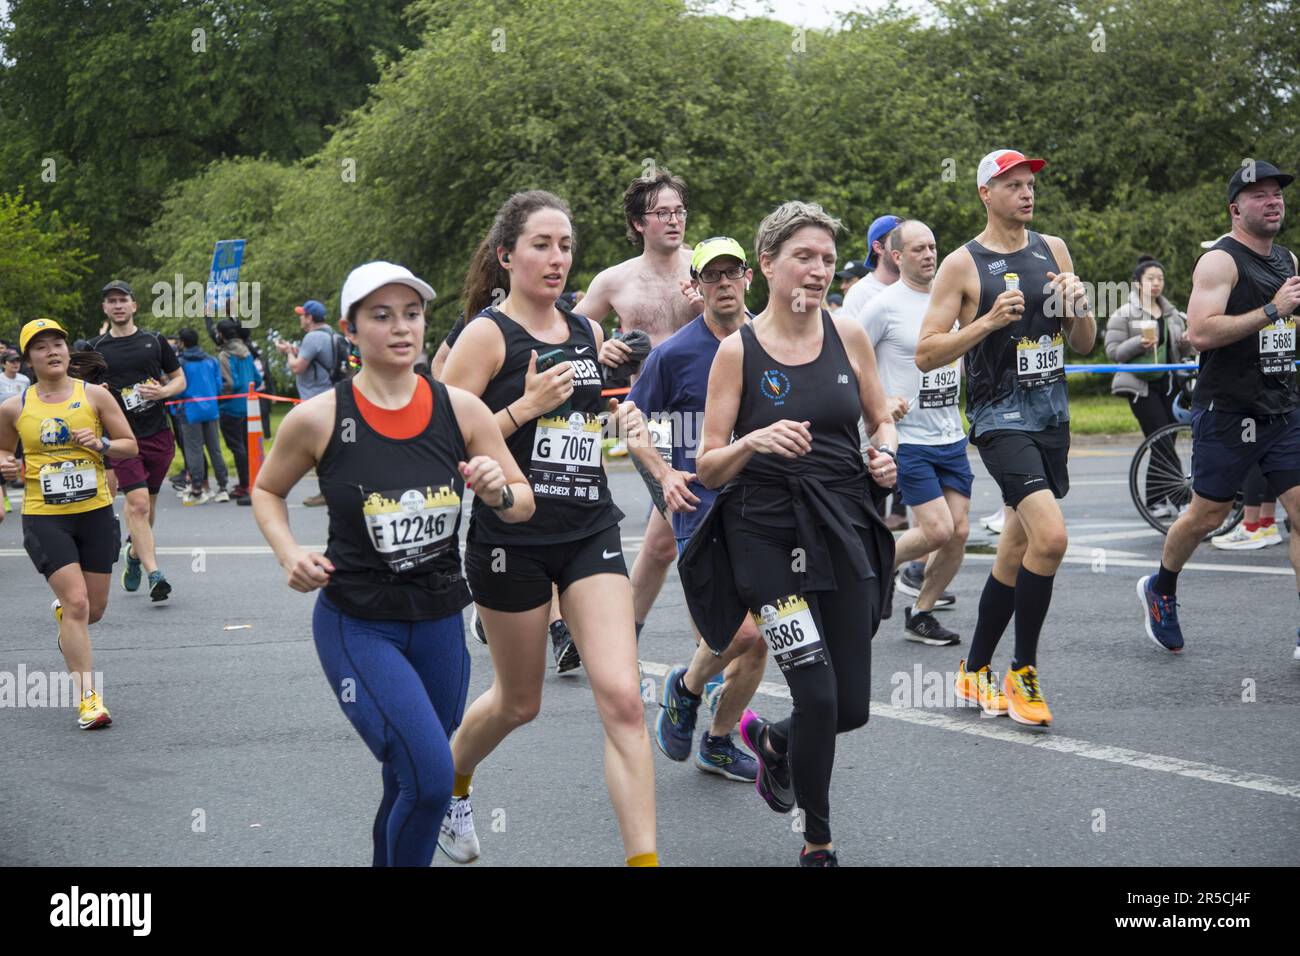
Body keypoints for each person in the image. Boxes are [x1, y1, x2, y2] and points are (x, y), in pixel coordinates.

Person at [252, 261, 534, 866]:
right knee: (431, 779)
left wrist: (497, 490)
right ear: (351, 331)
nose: (401, 328)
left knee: (407, 780)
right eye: (381, 316)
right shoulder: (319, 418)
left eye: (412, 314)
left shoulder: (461, 410)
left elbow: (520, 503)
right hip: (359, 625)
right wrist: (289, 554)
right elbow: (266, 489)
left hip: (439, 624)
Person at [441, 190, 658, 866]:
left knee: (624, 700)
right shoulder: (485, 336)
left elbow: (580, 425)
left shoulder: (588, 333)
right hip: (511, 541)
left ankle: (644, 860)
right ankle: (449, 785)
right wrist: (523, 408)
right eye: (541, 244)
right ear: (507, 255)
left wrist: (618, 426)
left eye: (565, 245)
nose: (557, 257)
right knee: (518, 701)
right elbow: (435, 442)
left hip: (589, 530)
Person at [687, 201, 898, 866]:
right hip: (765, 538)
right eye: (803, 257)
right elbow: (708, 464)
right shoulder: (737, 352)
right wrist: (754, 439)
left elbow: (879, 418)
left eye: (828, 259)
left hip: (842, 524)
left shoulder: (849, 335)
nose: (818, 270)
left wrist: (884, 451)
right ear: (769, 265)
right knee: (814, 687)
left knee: (850, 706)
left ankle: (775, 743)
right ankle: (818, 840)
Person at [917, 149, 1097, 726]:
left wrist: (1081, 309)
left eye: (1030, 184)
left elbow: (1085, 343)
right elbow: (926, 353)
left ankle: (972, 672)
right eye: (1012, 185)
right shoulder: (961, 264)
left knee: (1015, 552)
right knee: (1052, 539)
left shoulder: (1054, 250)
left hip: (1052, 418)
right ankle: (1022, 674)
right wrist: (987, 323)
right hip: (999, 419)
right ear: (985, 194)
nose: (1026, 193)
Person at [1138, 161, 1300, 659]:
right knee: (1205, 516)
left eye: (1276, 194)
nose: (1272, 201)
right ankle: (1161, 588)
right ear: (1235, 208)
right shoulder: (1219, 262)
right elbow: (1201, 332)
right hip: (1228, 412)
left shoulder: (1289, 260)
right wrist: (1273, 308)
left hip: (1283, 409)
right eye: (1259, 195)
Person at [625, 236, 766, 783]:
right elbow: (630, 421)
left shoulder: (772, 338)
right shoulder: (675, 353)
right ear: (697, 286)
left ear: (748, 278)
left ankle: (717, 742)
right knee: (743, 634)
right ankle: (685, 688)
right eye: (713, 276)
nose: (724, 284)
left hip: (768, 507)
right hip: (701, 510)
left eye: (733, 273)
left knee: (763, 640)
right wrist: (663, 475)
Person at [574, 169, 702, 669]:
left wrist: (709, 304)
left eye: (679, 211)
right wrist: (599, 344)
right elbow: (572, 328)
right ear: (638, 222)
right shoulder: (615, 280)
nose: (674, 220)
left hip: (705, 416)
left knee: (661, 545)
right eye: (662, 213)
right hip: (649, 423)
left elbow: (745, 330)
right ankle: (710, 656)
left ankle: (613, 642)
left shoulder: (706, 267)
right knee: (691, 530)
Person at [0, 319, 138, 729]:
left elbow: (129, 446)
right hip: (45, 516)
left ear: (67, 351)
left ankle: (68, 619)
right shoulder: (14, 408)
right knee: (77, 603)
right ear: (29, 360)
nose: (52, 351)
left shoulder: (94, 395)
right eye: (41, 347)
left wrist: (103, 444)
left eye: (57, 343)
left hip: (94, 512)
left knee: (93, 610)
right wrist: (6, 468)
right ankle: (89, 700)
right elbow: (4, 454)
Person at [860, 219, 970, 646]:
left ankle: (921, 612)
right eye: (919, 249)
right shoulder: (883, 306)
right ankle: (876, 560)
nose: (929, 255)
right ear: (896, 256)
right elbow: (851, 360)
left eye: (933, 246)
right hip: (908, 439)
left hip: (950, 434)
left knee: (958, 533)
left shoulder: (954, 301)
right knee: (938, 530)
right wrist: (878, 406)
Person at [89, 280, 187, 602]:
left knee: (149, 507)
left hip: (157, 434)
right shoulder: (96, 348)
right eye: (111, 301)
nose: (117, 305)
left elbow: (179, 380)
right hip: (122, 439)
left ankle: (133, 556)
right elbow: (82, 393)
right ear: (105, 308)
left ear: (134, 306)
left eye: (123, 300)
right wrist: (97, 395)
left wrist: (162, 391)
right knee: (139, 504)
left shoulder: (154, 341)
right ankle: (154, 574)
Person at [1105, 255, 1194, 518]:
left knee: (1163, 440)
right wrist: (1138, 344)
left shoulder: (1173, 314)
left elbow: (1185, 349)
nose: (1156, 284)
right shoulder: (1123, 314)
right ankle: (1182, 500)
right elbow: (1113, 352)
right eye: (1150, 279)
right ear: (1136, 284)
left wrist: (1187, 342)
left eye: (1160, 279)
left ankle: (1154, 501)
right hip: (1139, 386)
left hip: (1170, 385)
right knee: (1162, 439)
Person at [842, 214, 908, 534]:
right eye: (899, 237)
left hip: (918, 424)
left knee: (924, 521)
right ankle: (883, 578)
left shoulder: (919, 289)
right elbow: (847, 358)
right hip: (874, 423)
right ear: (880, 247)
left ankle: (904, 578)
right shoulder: (861, 295)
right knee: (873, 517)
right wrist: (880, 402)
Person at [276, 300, 338, 506]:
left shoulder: (312, 337)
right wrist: (293, 349)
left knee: (320, 447)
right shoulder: (331, 334)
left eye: (302, 315)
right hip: (331, 394)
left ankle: (327, 493)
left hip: (315, 398)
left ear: (310, 318)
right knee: (334, 445)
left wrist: (287, 354)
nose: (301, 318)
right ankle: (335, 489)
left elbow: (297, 368)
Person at [175, 328, 230, 504]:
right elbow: (219, 386)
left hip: (190, 410)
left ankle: (197, 489)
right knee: (215, 449)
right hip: (211, 409)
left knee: (194, 450)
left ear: (182, 342)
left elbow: (177, 389)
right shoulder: (211, 360)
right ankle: (223, 488)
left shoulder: (181, 363)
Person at [216, 318, 263, 505]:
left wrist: (218, 392)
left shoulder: (225, 355)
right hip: (249, 406)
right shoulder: (247, 352)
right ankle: (253, 480)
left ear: (221, 335)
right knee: (247, 445)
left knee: (237, 447)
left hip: (231, 407)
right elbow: (258, 379)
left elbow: (229, 383)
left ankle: (245, 484)